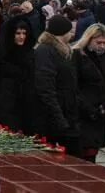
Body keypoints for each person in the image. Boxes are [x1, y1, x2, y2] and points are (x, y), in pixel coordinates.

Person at [72, 23, 105, 163]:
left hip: (102, 111)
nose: (102, 46)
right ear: (89, 39)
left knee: (93, 150)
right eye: (99, 42)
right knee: (82, 153)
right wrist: (87, 107)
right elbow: (73, 86)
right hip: (83, 112)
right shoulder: (77, 56)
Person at [33, 15, 80, 155]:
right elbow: (45, 87)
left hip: (66, 112)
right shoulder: (46, 51)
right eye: (69, 31)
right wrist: (59, 118)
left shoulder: (62, 50)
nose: (72, 34)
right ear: (62, 32)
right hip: (53, 117)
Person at [0, 17, 36, 134]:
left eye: (24, 33)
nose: (22, 37)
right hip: (3, 100)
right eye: (18, 33)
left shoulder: (30, 52)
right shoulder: (0, 51)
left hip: (24, 100)